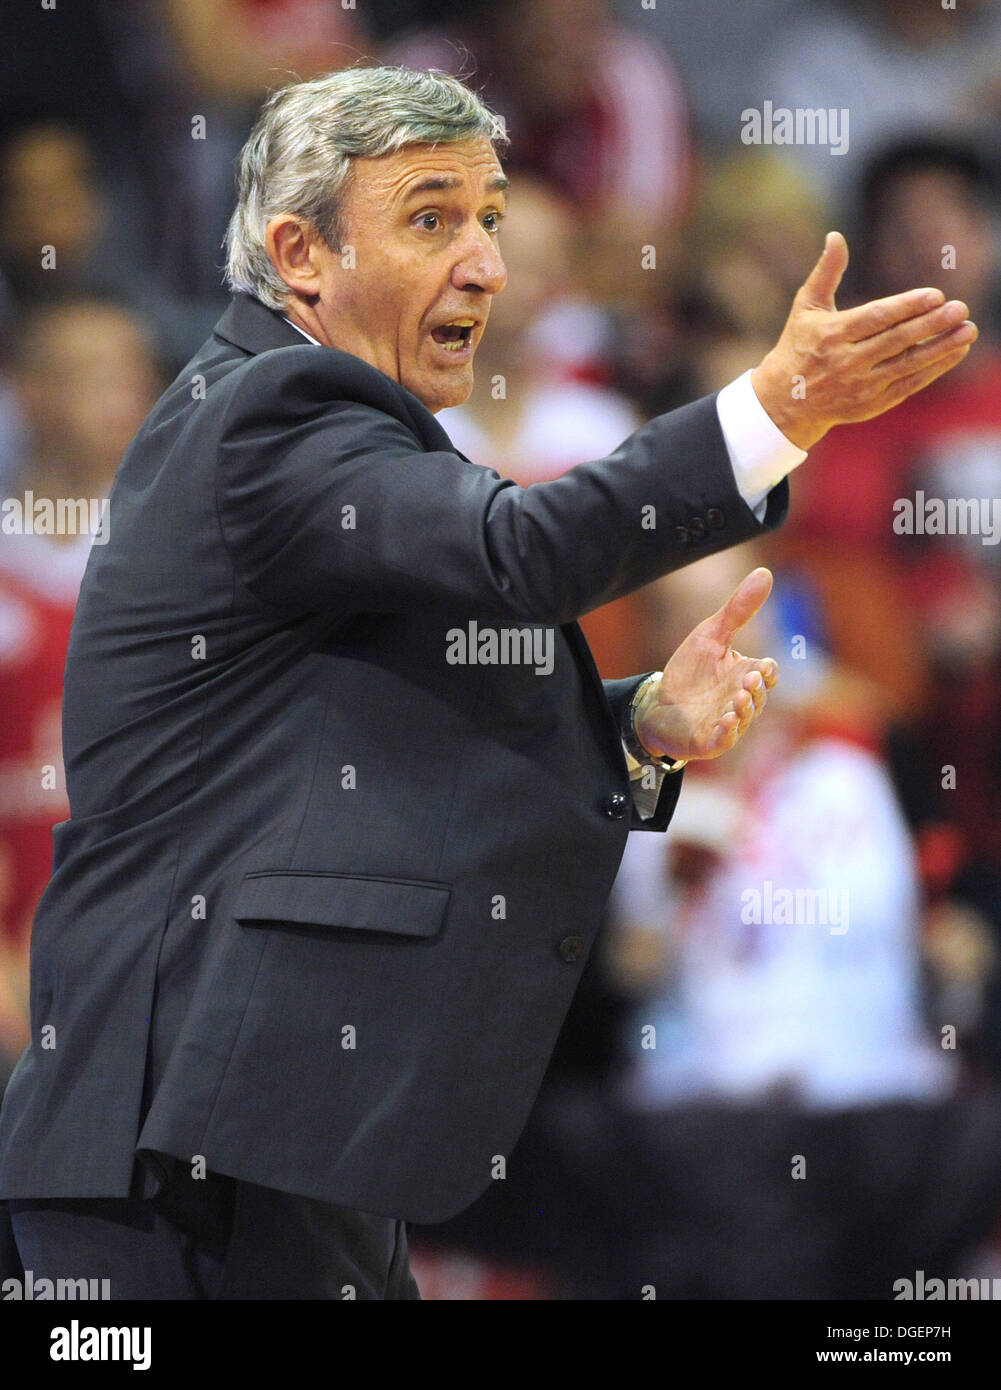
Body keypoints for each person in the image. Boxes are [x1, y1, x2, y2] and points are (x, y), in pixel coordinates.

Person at [0, 65, 978, 1300]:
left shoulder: (303, 440)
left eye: (490, 218)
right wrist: (770, 412)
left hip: (252, 1120)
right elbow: (521, 552)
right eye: (429, 218)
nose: (485, 265)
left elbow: (372, 731)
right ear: (300, 252)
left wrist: (636, 722)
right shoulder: (277, 412)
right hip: (184, 1128)